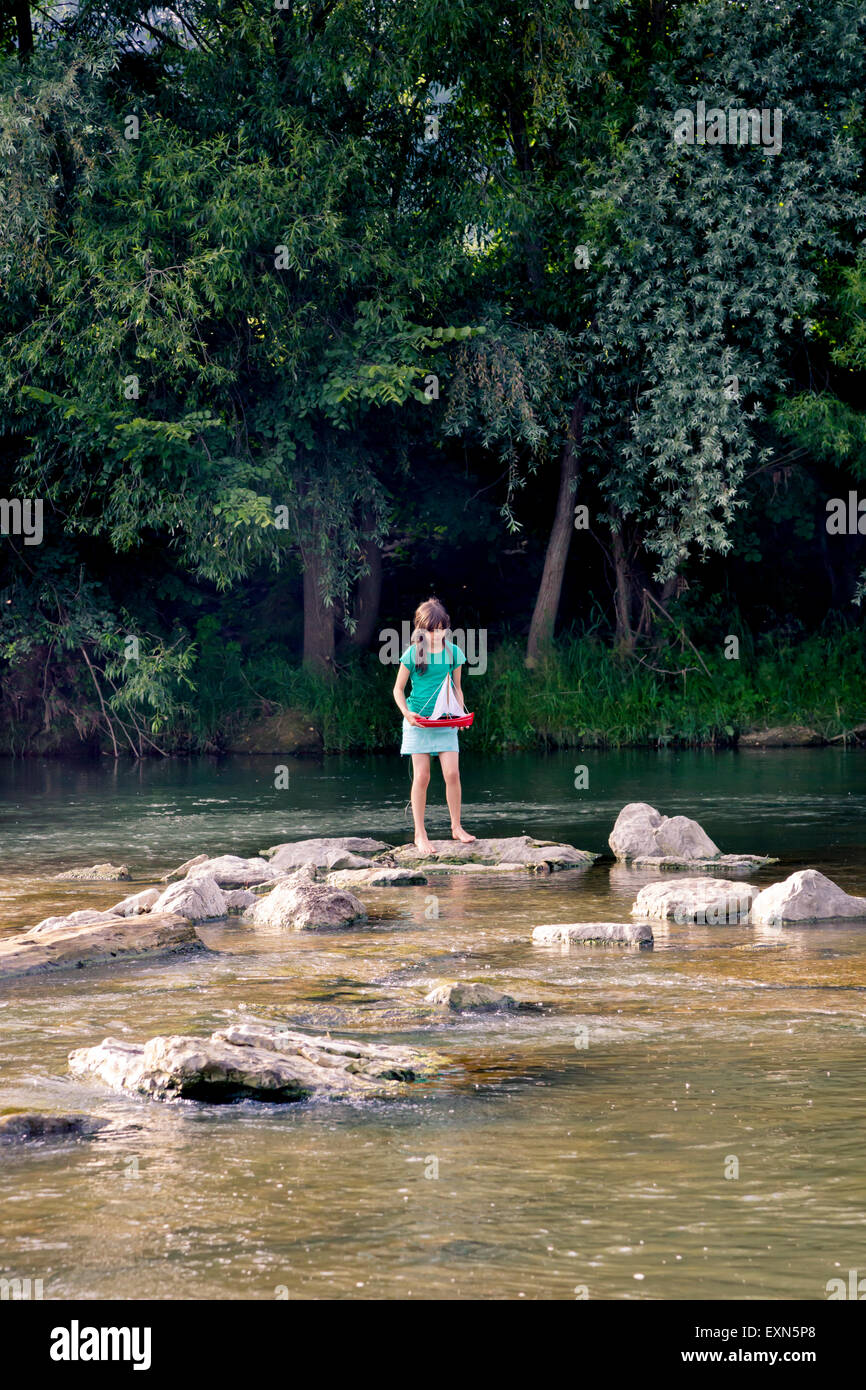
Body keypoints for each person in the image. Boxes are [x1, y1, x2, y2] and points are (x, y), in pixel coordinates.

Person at [393, 597, 476, 854]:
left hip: (445, 720)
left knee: (452, 774)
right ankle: (420, 833)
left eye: (441, 629)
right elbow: (398, 689)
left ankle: (456, 827)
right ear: (421, 629)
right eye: (430, 630)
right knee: (423, 776)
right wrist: (406, 713)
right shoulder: (412, 653)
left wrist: (460, 713)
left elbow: (457, 689)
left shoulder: (453, 652)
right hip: (418, 721)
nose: (436, 634)